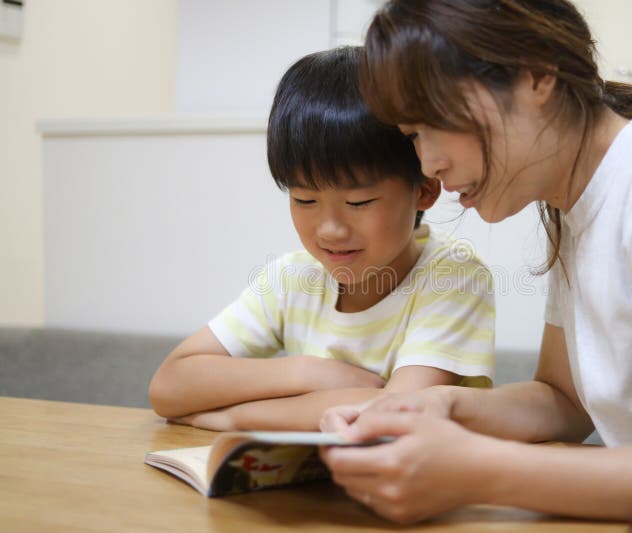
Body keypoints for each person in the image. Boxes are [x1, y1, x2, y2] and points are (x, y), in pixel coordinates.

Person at [318, 2, 632, 531]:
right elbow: (565, 400)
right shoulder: (578, 203)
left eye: (434, 123)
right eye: (413, 136)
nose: (429, 162)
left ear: (536, 75)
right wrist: (437, 409)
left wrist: (478, 469)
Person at [148, 46, 495, 432]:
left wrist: (234, 416)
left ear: (425, 190)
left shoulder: (453, 277)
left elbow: (397, 416)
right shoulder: (293, 278)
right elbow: (169, 385)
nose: (330, 229)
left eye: (358, 201)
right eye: (305, 199)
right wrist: (306, 373)